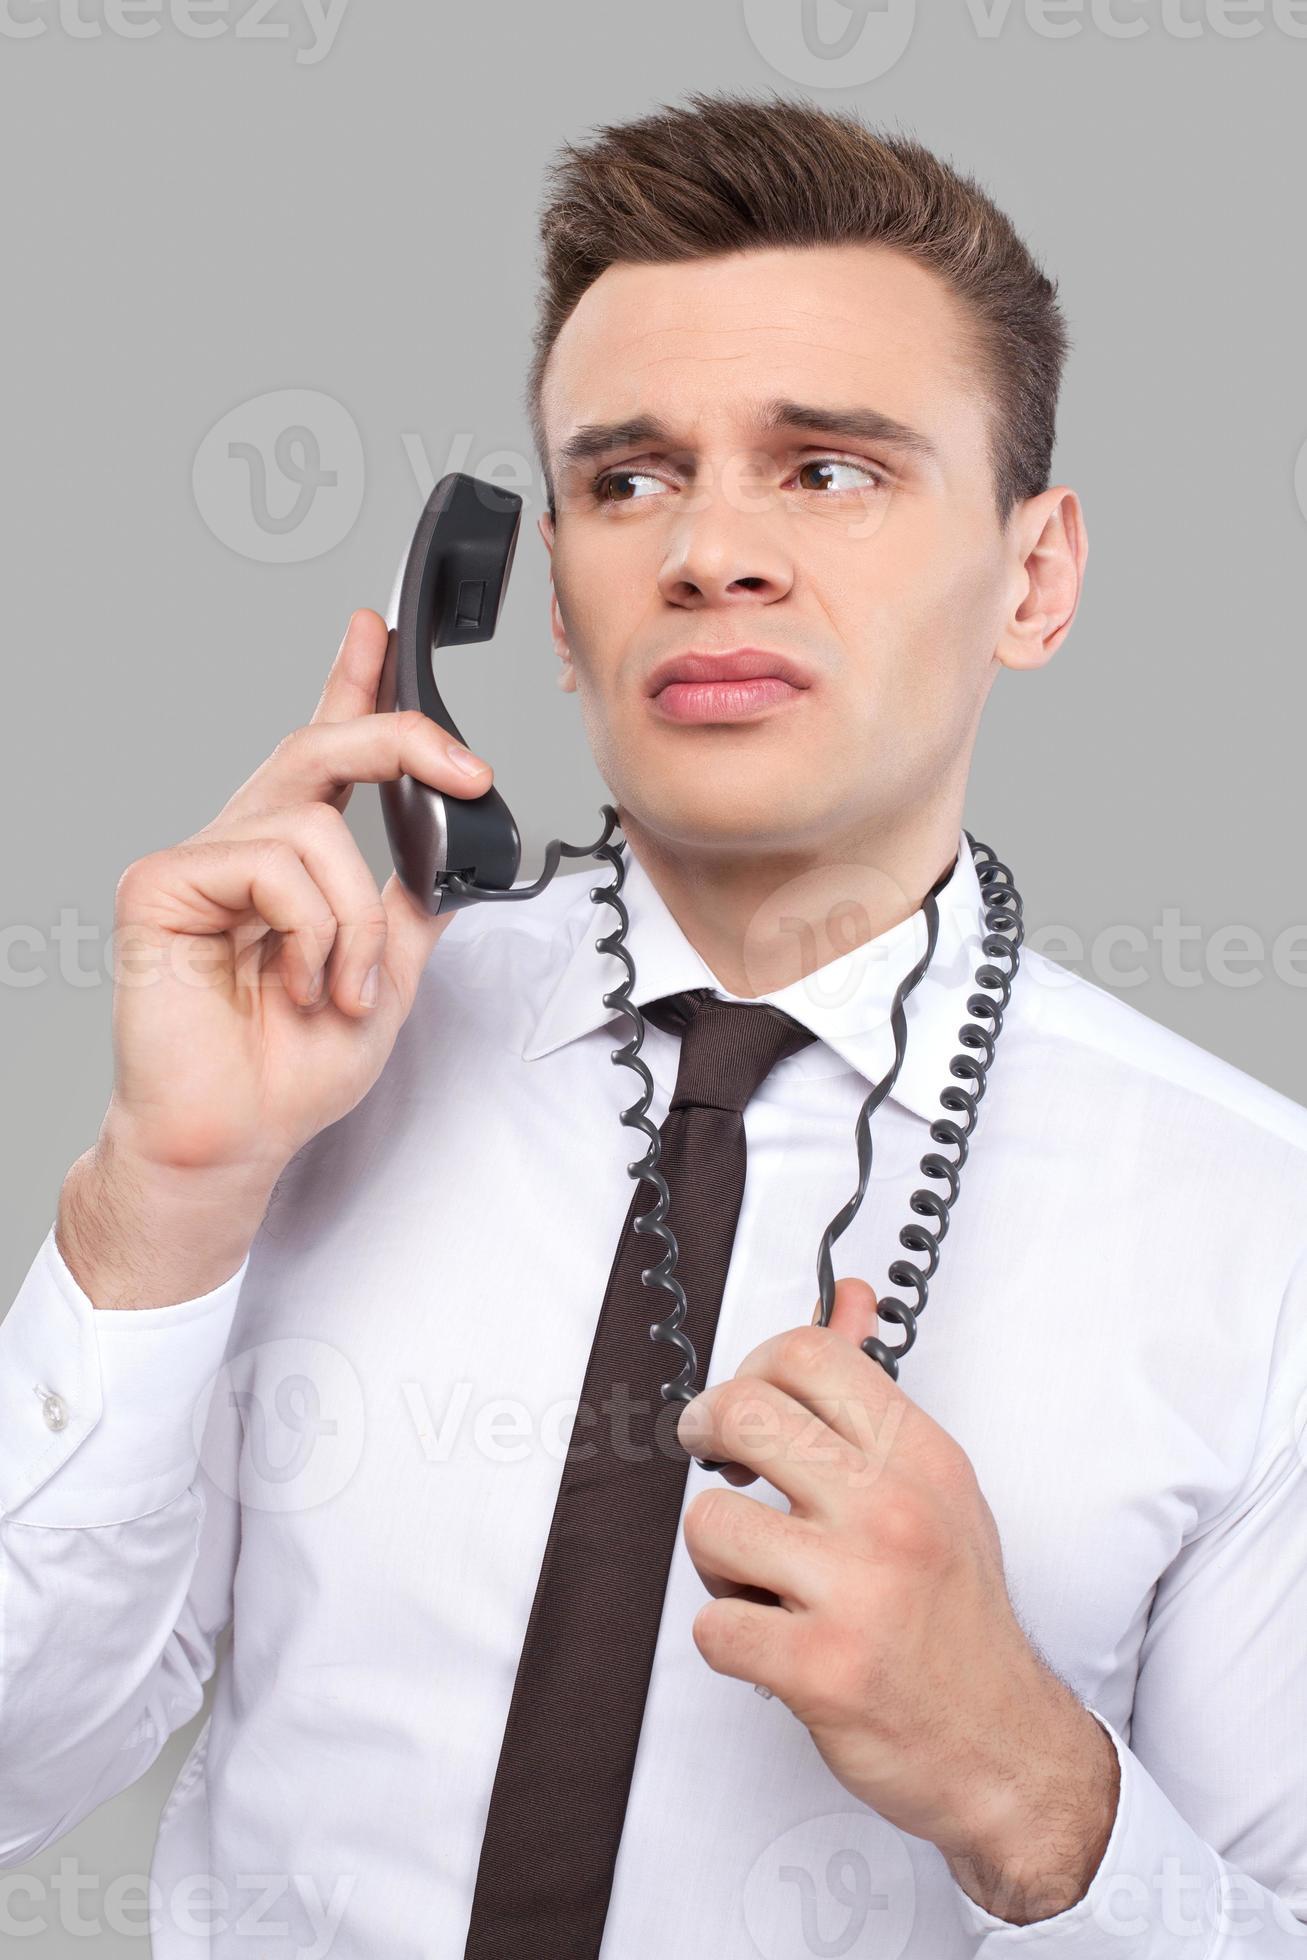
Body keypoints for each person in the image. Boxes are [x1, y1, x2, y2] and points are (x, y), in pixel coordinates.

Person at [1, 89, 1304, 1959]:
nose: (711, 550)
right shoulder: (306, 1058)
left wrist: (1033, 1785)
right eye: (628, 480)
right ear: (539, 607)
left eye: (830, 469)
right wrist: (159, 1203)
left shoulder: (1261, 1236)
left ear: (1036, 576)